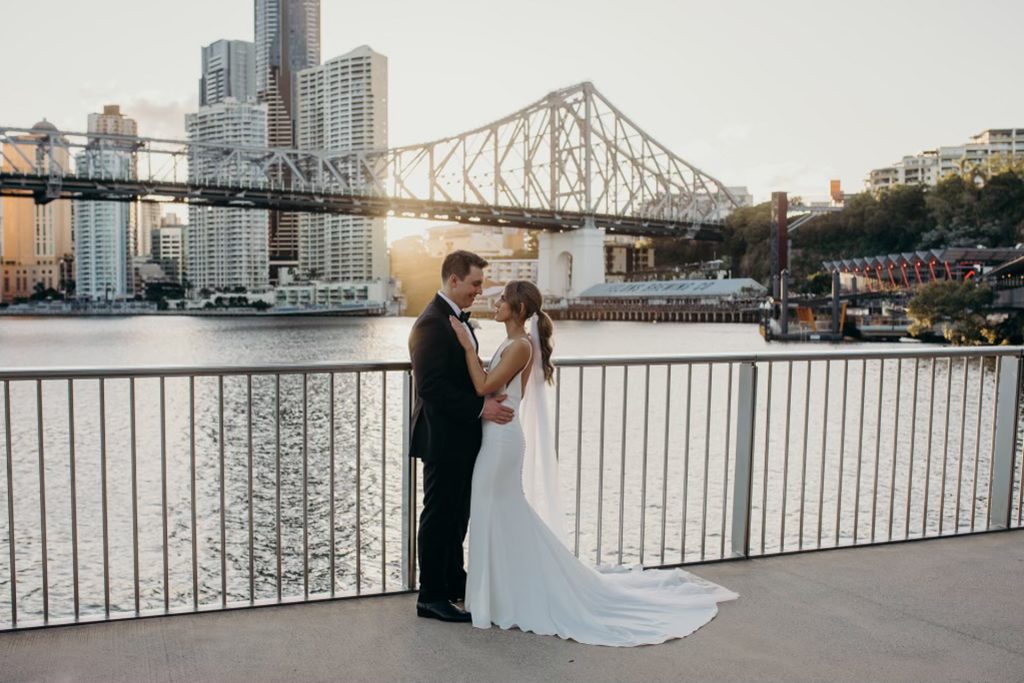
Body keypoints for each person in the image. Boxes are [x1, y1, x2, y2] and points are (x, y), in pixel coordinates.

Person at [449, 280, 738, 646]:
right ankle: (496, 595)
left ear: (519, 309)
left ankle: (499, 596)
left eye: (503, 299)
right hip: (498, 436)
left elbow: (483, 387)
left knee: (496, 511)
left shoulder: (520, 346)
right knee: (499, 514)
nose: (496, 303)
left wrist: (464, 346)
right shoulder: (512, 344)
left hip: (502, 442)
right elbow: (493, 387)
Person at [408, 250, 515, 623]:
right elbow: (432, 387)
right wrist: (480, 408)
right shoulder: (431, 324)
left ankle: (453, 582)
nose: (479, 292)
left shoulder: (454, 321)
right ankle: (431, 596)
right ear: (453, 280)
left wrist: (486, 389)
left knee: (457, 516)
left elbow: (459, 375)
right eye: (474, 284)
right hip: (442, 437)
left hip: (460, 436)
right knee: (438, 516)